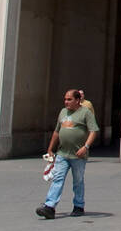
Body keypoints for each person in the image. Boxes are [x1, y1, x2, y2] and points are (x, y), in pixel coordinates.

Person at [37, 89, 98, 219]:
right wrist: (50, 148)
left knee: (78, 181)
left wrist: (85, 147)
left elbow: (93, 131)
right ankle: (49, 207)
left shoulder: (85, 112)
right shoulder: (63, 112)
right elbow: (57, 131)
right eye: (65, 99)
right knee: (57, 179)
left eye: (69, 99)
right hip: (62, 153)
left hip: (78, 155)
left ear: (77, 100)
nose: (66, 102)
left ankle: (78, 206)